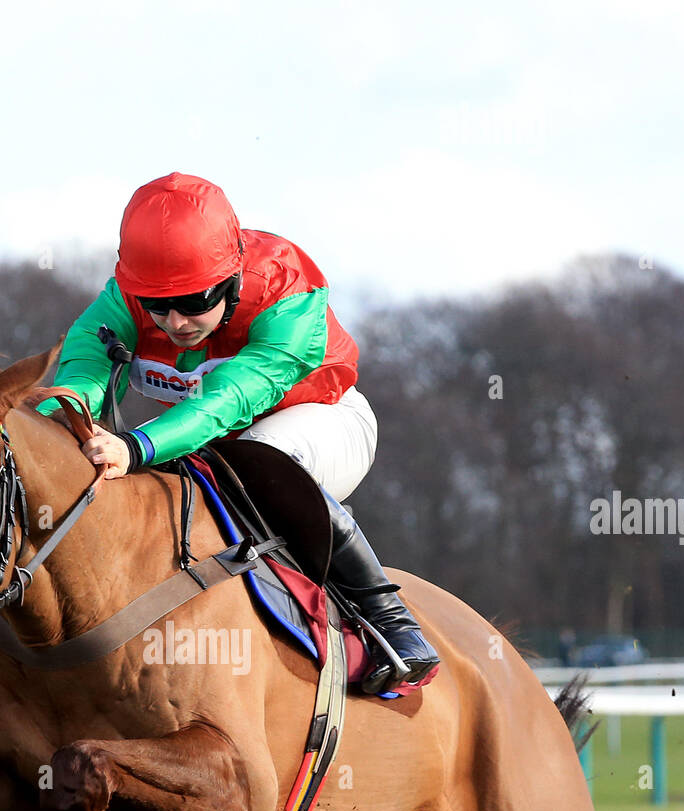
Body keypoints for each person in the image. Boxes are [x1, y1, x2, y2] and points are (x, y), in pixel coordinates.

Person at [37, 172, 439, 694]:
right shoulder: (125, 300)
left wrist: (136, 446)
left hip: (324, 419)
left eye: (193, 301)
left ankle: (394, 623)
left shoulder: (287, 292)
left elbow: (225, 401)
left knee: (257, 456)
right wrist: (47, 431)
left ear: (231, 280)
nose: (175, 322)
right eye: (157, 305)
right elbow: (81, 377)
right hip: (209, 444)